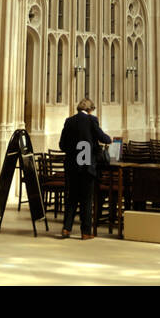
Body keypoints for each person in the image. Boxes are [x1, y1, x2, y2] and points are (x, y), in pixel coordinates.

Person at [59, 98, 111, 240]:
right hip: (87, 165)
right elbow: (103, 137)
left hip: (72, 166)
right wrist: (110, 139)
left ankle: (66, 229)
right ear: (90, 109)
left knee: (71, 198)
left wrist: (73, 150)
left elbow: (62, 145)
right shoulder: (91, 120)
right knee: (86, 199)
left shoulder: (69, 121)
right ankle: (86, 232)